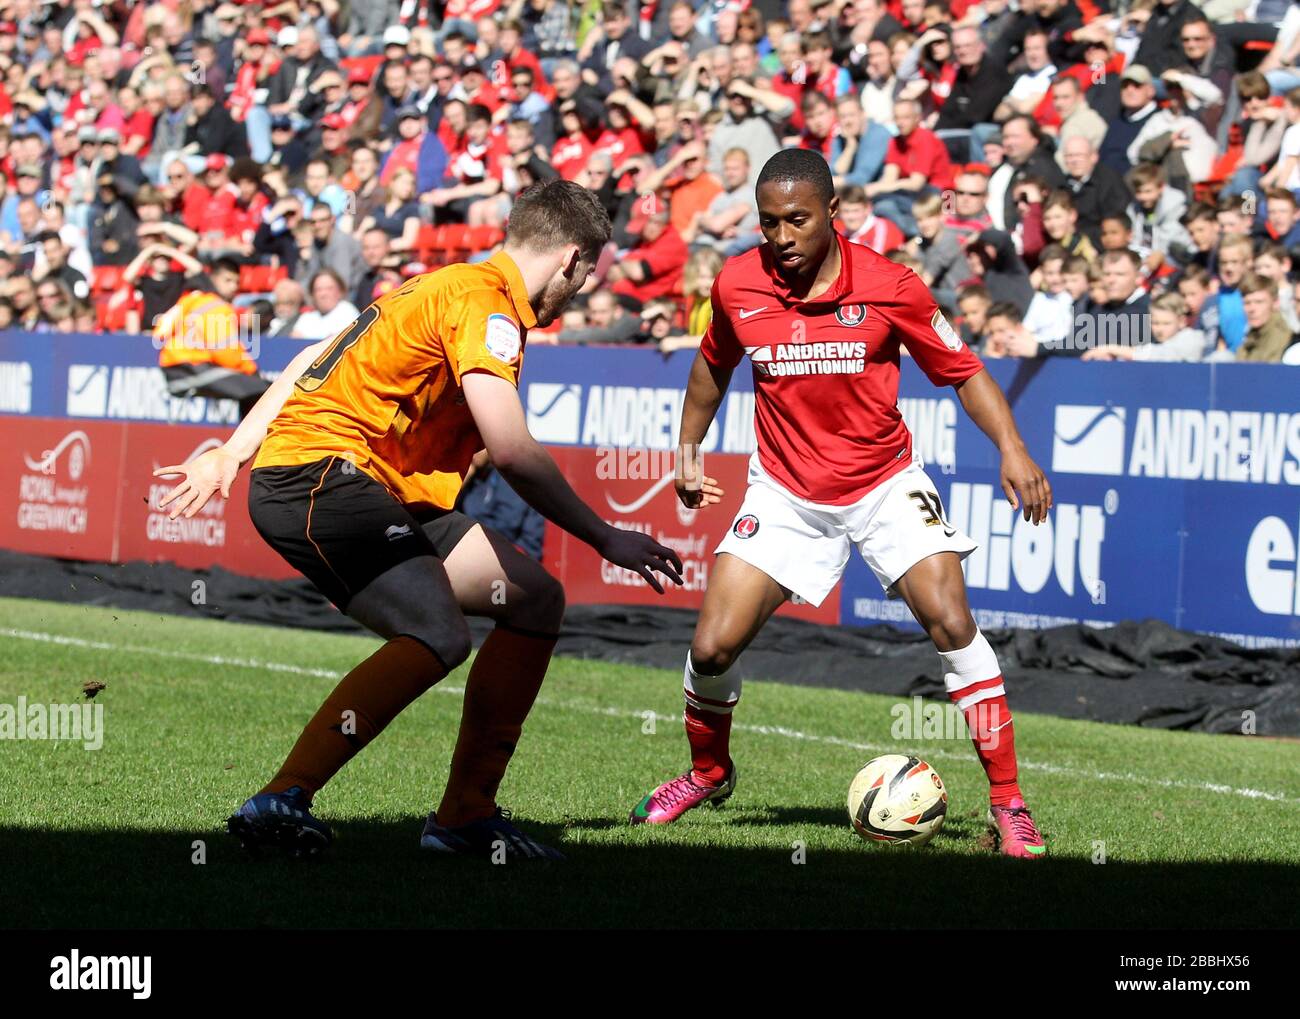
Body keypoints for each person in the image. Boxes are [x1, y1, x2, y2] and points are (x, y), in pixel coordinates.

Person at [155, 180, 682, 861]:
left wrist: (231, 452)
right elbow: (515, 450)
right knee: (438, 631)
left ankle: (464, 816)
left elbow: (303, 362)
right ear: (572, 259)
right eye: (583, 277)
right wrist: (606, 535)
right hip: (319, 477)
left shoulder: (440, 284)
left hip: (371, 485)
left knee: (535, 599)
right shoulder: (486, 305)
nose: (578, 293)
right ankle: (280, 798)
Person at [629, 150, 1051, 860]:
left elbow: (963, 369)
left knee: (952, 619)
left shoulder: (891, 284)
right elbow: (712, 364)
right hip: (786, 490)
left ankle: (1009, 804)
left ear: (833, 213)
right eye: (769, 223)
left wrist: (1012, 446)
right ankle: (708, 771)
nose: (782, 236)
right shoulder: (737, 282)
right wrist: (688, 449)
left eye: (797, 219)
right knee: (711, 645)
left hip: (884, 482)